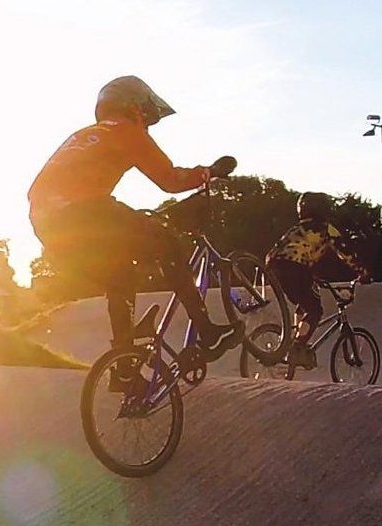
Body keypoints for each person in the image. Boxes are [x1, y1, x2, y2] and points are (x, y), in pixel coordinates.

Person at [28, 75, 244, 393]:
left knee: (120, 276)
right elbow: (170, 180)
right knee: (168, 243)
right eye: (147, 115)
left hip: (47, 226)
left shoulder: (83, 135)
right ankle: (208, 332)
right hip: (83, 213)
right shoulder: (125, 130)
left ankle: (125, 368)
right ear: (134, 107)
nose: (148, 124)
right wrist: (208, 172)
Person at [265, 192, 369, 369]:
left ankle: (294, 339)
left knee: (304, 302)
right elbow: (345, 252)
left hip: (272, 266)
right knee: (314, 309)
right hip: (295, 266)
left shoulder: (297, 228)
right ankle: (298, 346)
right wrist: (363, 272)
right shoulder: (324, 228)